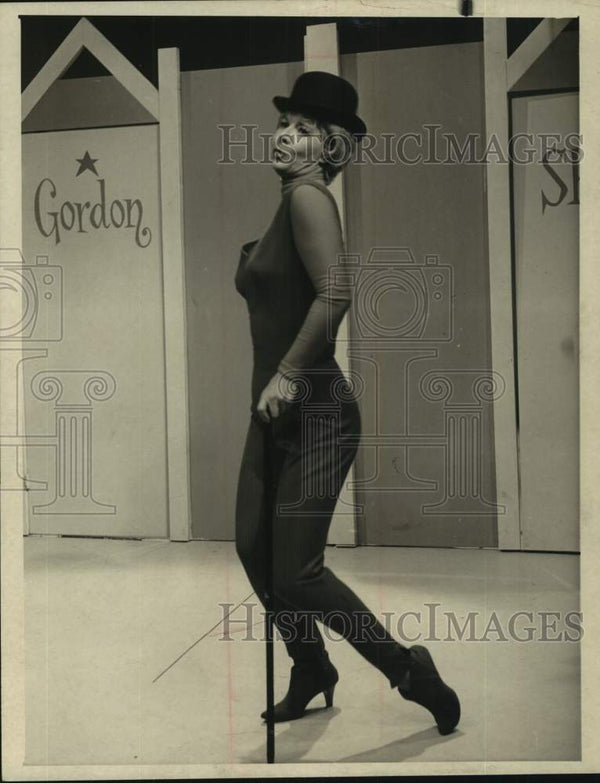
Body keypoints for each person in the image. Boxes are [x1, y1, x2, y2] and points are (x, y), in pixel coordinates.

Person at [234, 71, 460, 735]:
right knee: (254, 548)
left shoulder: (308, 199)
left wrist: (283, 372)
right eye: (284, 124)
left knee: (297, 571)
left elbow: (335, 294)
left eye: (304, 131)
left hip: (318, 415)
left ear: (328, 147)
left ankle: (408, 667)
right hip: (274, 411)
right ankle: (311, 666)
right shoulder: (289, 203)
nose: (286, 137)